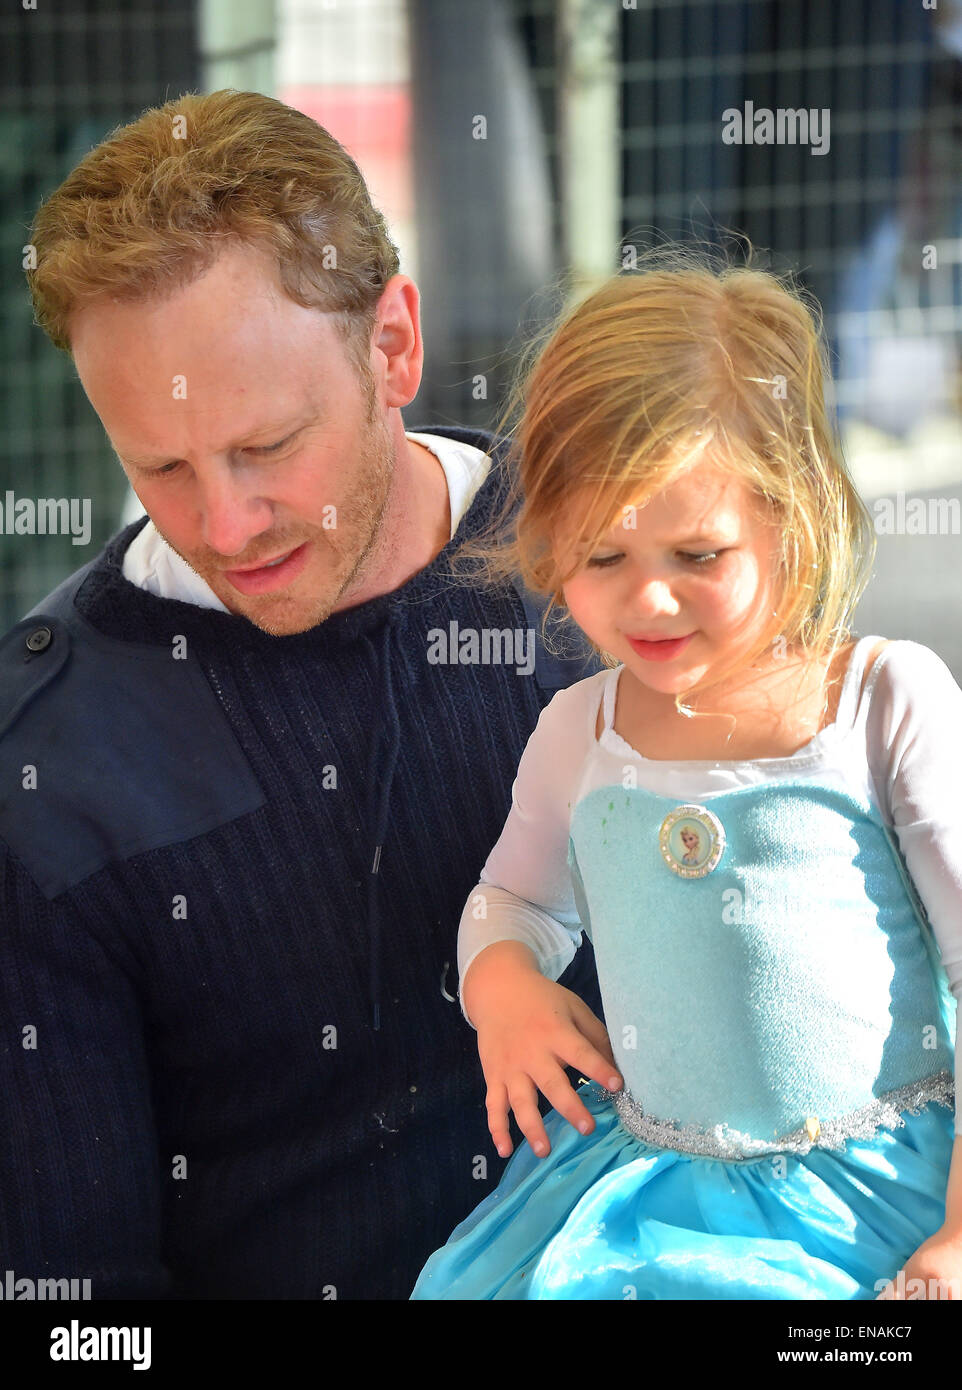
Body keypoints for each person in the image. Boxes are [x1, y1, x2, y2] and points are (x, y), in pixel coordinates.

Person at [0, 88, 602, 1300]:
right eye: (159, 466)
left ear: (392, 347)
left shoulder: (620, 574)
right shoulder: (48, 776)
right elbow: (74, 1308)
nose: (226, 523)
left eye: (268, 446)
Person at [411, 254, 962, 1299]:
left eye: (696, 554)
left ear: (787, 516)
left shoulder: (882, 706)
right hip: (657, 1212)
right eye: (599, 558)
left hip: (875, 1204)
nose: (647, 602)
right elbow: (512, 898)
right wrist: (506, 990)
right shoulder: (578, 731)